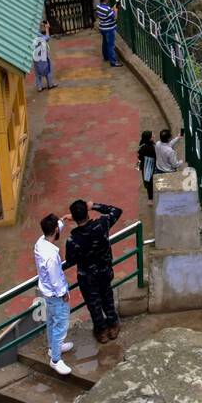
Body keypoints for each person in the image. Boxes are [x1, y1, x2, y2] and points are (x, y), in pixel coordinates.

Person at [64, 198, 124, 343]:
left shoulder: (73, 239)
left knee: (94, 304)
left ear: (74, 218)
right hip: (105, 271)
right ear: (87, 212)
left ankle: (101, 331)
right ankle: (113, 324)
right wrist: (94, 206)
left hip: (88, 277)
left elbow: (70, 260)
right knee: (107, 297)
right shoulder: (102, 225)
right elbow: (117, 211)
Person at [34, 213, 74, 375]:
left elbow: (54, 229)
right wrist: (63, 293)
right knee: (60, 325)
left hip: (47, 293)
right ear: (55, 230)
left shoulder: (40, 243)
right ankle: (56, 360)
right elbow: (55, 278)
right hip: (56, 294)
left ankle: (53, 348)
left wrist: (63, 220)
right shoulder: (51, 256)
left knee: (51, 321)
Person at [96, 0, 122, 67]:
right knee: (111, 45)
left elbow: (107, 13)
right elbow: (115, 18)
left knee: (105, 43)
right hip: (109, 29)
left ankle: (106, 57)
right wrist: (116, 9)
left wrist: (112, 8)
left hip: (102, 28)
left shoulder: (98, 7)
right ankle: (113, 62)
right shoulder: (107, 9)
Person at [33, 18, 56, 91]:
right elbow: (47, 38)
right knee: (48, 69)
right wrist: (47, 28)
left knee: (37, 73)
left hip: (36, 56)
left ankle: (39, 87)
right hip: (43, 56)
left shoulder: (32, 33)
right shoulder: (38, 35)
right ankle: (50, 84)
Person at [137, 131, 157, 202]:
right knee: (150, 181)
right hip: (150, 165)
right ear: (149, 139)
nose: (153, 136)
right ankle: (150, 199)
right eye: (152, 136)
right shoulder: (152, 148)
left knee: (148, 180)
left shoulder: (142, 145)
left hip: (144, 166)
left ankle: (150, 198)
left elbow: (139, 156)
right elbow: (156, 157)